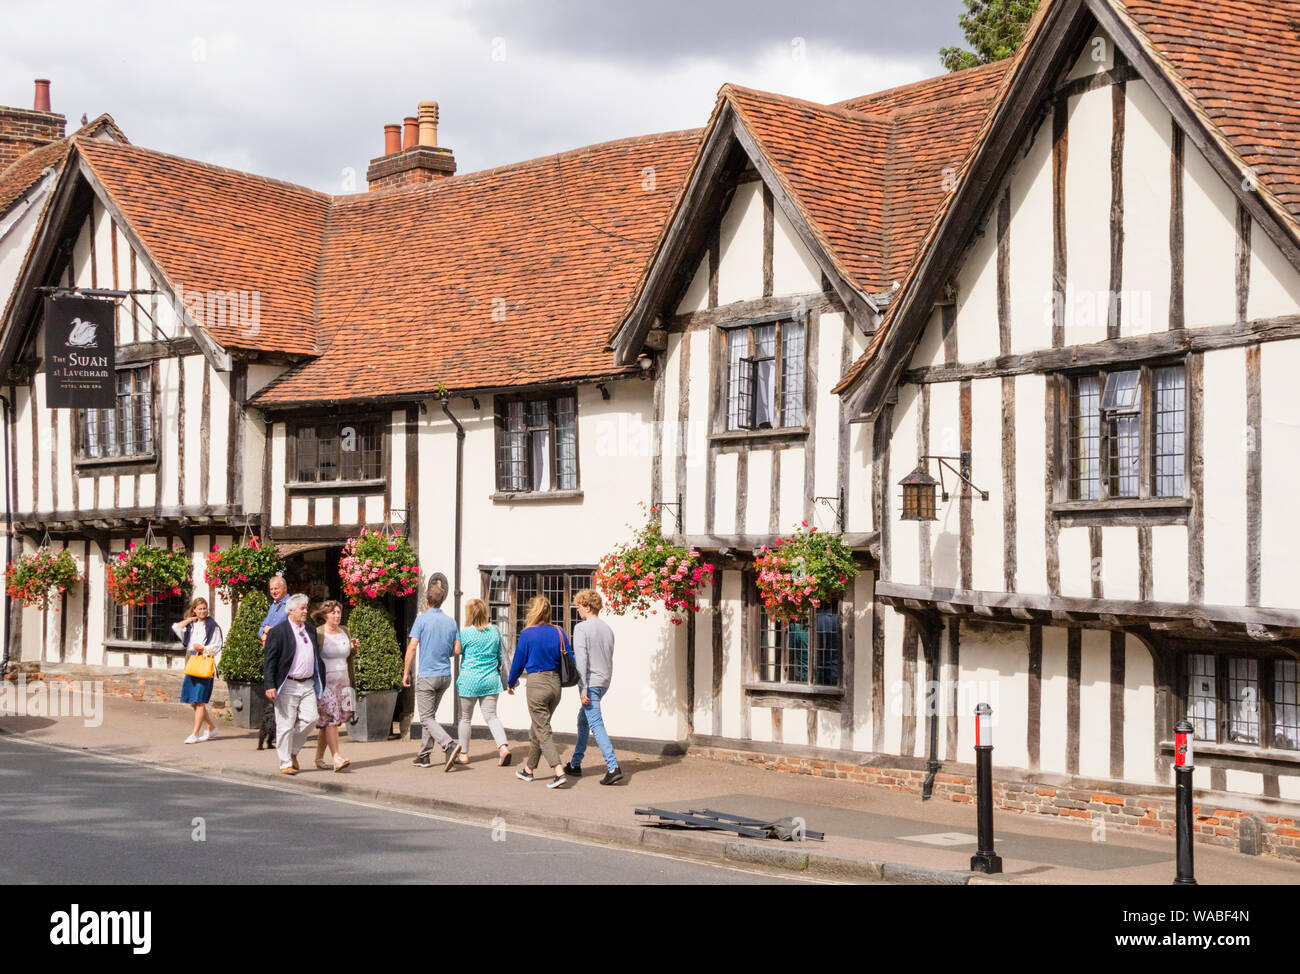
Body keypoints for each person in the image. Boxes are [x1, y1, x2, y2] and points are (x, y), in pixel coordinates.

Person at [506, 595, 572, 788]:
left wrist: (511, 682)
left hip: (537, 684)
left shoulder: (527, 634)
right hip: (555, 685)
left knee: (542, 730)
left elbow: (518, 662)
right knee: (537, 727)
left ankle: (558, 772)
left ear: (532, 611)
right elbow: (569, 659)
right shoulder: (559, 632)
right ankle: (529, 770)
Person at [403, 574, 462, 771]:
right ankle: (424, 756)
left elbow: (412, 647)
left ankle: (449, 744)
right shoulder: (451, 622)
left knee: (426, 717)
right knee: (431, 716)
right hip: (445, 675)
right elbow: (457, 650)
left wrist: (406, 672)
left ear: (427, 601)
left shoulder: (421, 620)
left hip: (427, 675)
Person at [563, 589, 622, 785]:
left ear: (587, 607)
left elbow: (581, 659)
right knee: (583, 720)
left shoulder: (581, 628)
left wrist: (583, 688)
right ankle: (575, 763)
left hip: (590, 682)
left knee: (596, 724)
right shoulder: (608, 629)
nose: (577, 610)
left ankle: (613, 767)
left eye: (579, 606)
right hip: (604, 681)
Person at [263, 593, 323, 775]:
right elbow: (270, 661)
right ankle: (285, 762)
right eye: (302, 608)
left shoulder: (310, 630)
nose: (305, 611)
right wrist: (270, 685)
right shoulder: (278, 632)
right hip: (287, 683)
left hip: (307, 684)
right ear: (290, 611)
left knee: (312, 718)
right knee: (285, 724)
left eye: (306, 607)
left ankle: (292, 750)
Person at [452, 598, 512, 768]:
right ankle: (503, 748)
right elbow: (501, 657)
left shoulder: (465, 633)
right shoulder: (495, 631)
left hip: (469, 681)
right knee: (492, 716)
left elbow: (458, 651)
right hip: (490, 681)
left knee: (465, 719)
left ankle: (463, 754)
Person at [312, 600, 358, 772]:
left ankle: (318, 758)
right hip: (326, 684)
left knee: (329, 722)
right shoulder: (318, 633)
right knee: (331, 719)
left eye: (339, 612)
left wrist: (353, 648)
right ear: (325, 615)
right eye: (333, 613)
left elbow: (347, 654)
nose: (337, 616)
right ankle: (337, 757)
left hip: (344, 682)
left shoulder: (345, 631)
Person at [176, 596, 223, 744]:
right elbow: (176, 628)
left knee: (200, 700)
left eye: (204, 608)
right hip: (192, 662)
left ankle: (195, 733)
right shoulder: (192, 625)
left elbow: (218, 645)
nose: (203, 611)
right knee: (192, 701)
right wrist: (191, 619)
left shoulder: (212, 626)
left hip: (204, 662)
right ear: (194, 610)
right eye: (200, 609)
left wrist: (202, 648)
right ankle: (211, 727)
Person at [259, 575, 288, 645]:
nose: (273, 591)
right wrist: (263, 634)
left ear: (285, 588)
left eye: (276, 588)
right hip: (271, 648)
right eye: (271, 589)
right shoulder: (273, 606)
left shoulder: (291, 604)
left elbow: (293, 629)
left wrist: (272, 631)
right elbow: (263, 627)